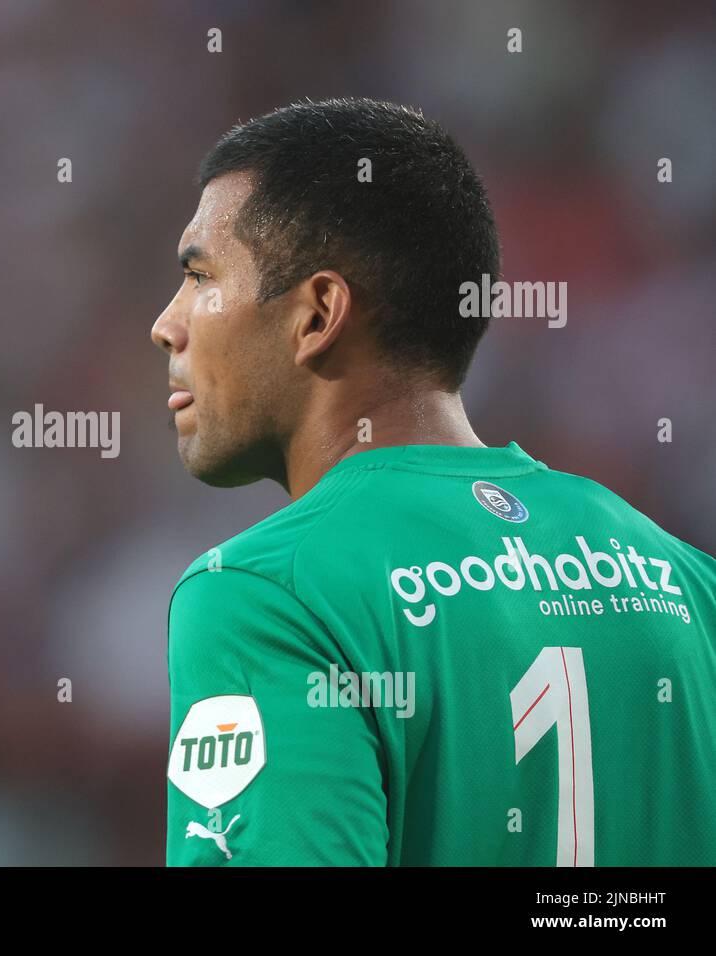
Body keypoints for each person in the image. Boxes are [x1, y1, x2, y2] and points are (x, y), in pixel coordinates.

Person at [151, 97, 716, 866]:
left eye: (197, 274)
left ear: (317, 314)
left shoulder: (262, 596)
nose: (167, 322)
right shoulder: (683, 579)